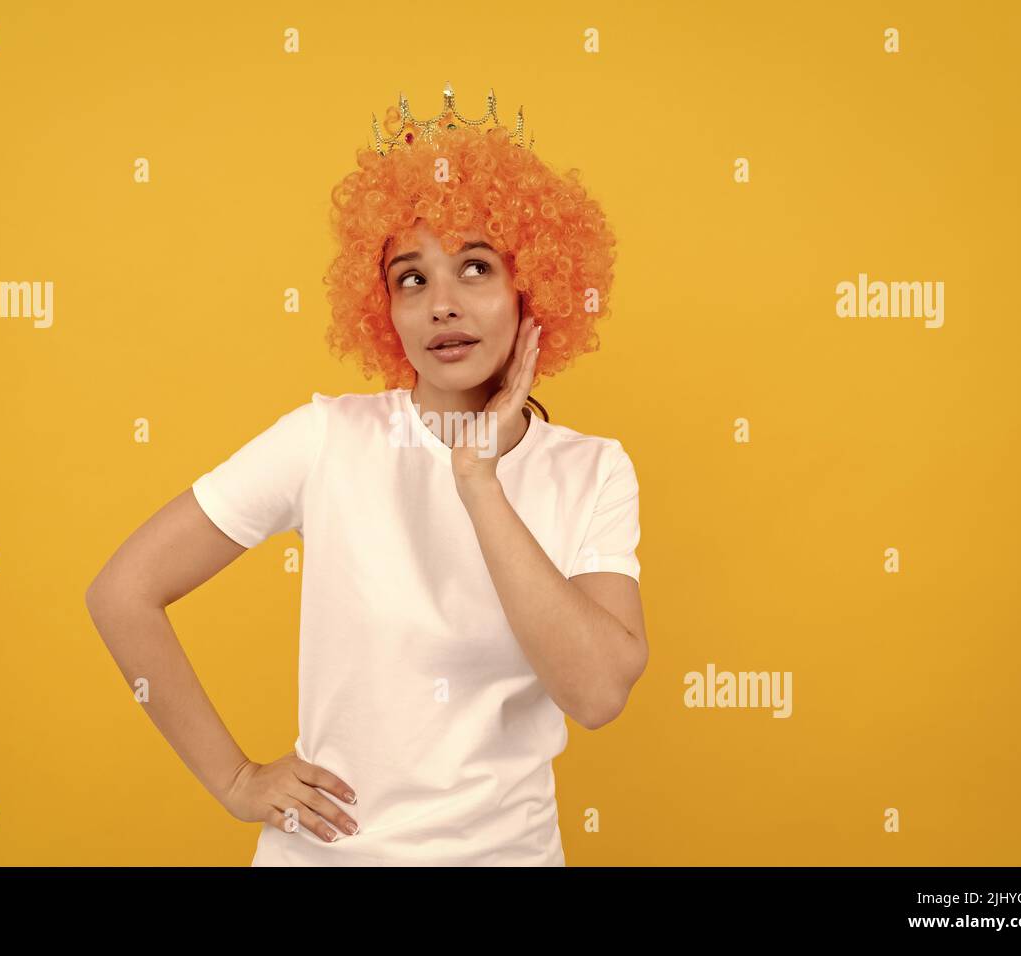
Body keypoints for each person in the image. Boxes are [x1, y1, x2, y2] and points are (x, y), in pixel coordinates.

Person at [85, 83, 648, 866]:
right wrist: (237, 779)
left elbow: (595, 695)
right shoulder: (328, 441)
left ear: (533, 288)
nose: (442, 305)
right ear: (382, 305)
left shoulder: (591, 472)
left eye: (476, 268)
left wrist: (478, 480)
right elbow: (122, 591)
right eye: (411, 278)